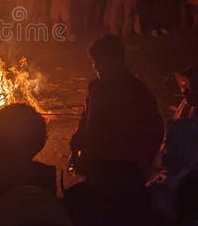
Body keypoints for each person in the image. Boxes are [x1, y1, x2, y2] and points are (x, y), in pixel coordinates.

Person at [70, 34, 164, 179]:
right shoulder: (96, 88)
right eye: (94, 62)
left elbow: (153, 132)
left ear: (116, 61)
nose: (96, 67)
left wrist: (140, 166)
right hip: (95, 165)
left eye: (100, 62)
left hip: (124, 168)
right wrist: (76, 146)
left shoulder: (137, 92)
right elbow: (85, 119)